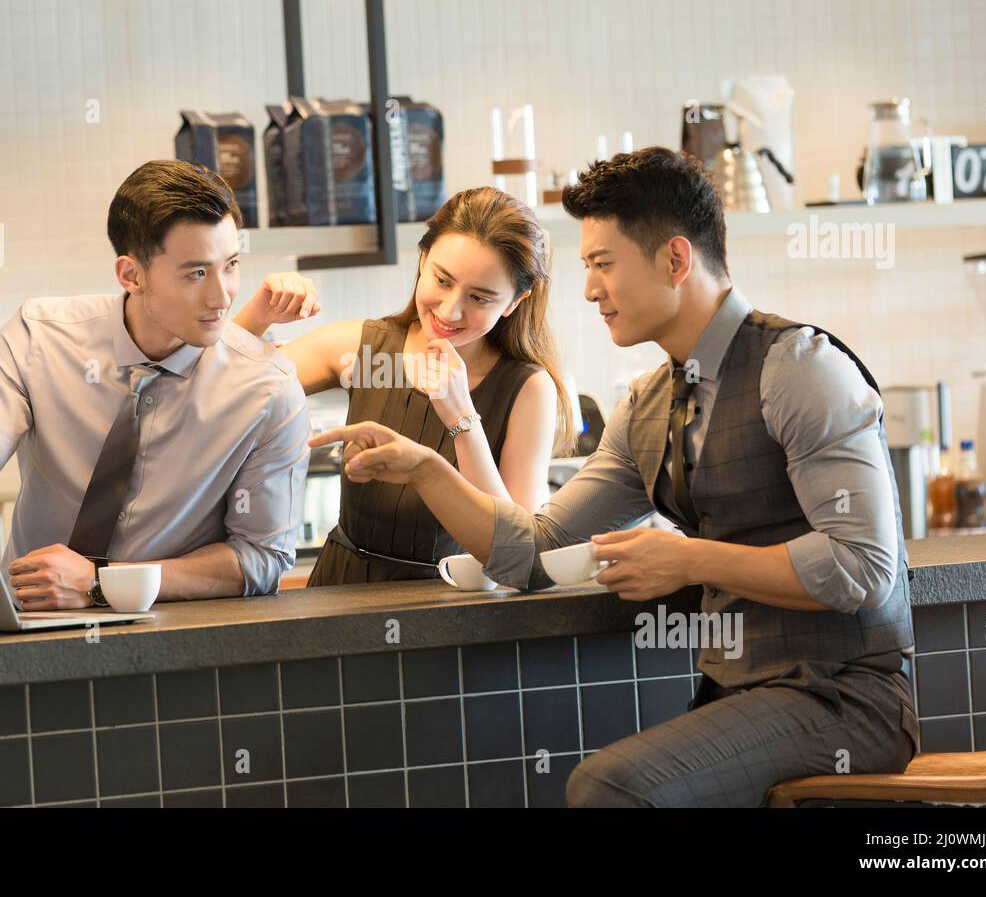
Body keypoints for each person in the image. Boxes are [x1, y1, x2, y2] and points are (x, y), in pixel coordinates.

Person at [309, 148, 919, 806]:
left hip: (845, 697)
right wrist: (429, 469)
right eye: (585, 268)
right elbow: (530, 555)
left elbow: (862, 566)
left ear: (675, 260)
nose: (589, 289)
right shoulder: (648, 405)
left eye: (603, 265)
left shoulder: (799, 368)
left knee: (608, 786)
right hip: (740, 690)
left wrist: (686, 560)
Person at [0, 159, 310, 633]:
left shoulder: (268, 388)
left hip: (171, 639)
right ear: (131, 274)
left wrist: (101, 583)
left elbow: (260, 559)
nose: (222, 297)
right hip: (21, 632)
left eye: (230, 265)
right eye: (195, 274)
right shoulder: (39, 339)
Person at [234, 186, 574, 586]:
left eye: (480, 297)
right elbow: (225, 389)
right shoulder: (362, 348)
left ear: (514, 302)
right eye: (443, 281)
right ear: (423, 259)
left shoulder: (528, 388)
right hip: (340, 590)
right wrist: (257, 314)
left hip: (456, 606)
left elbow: (519, 555)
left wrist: (461, 417)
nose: (450, 310)